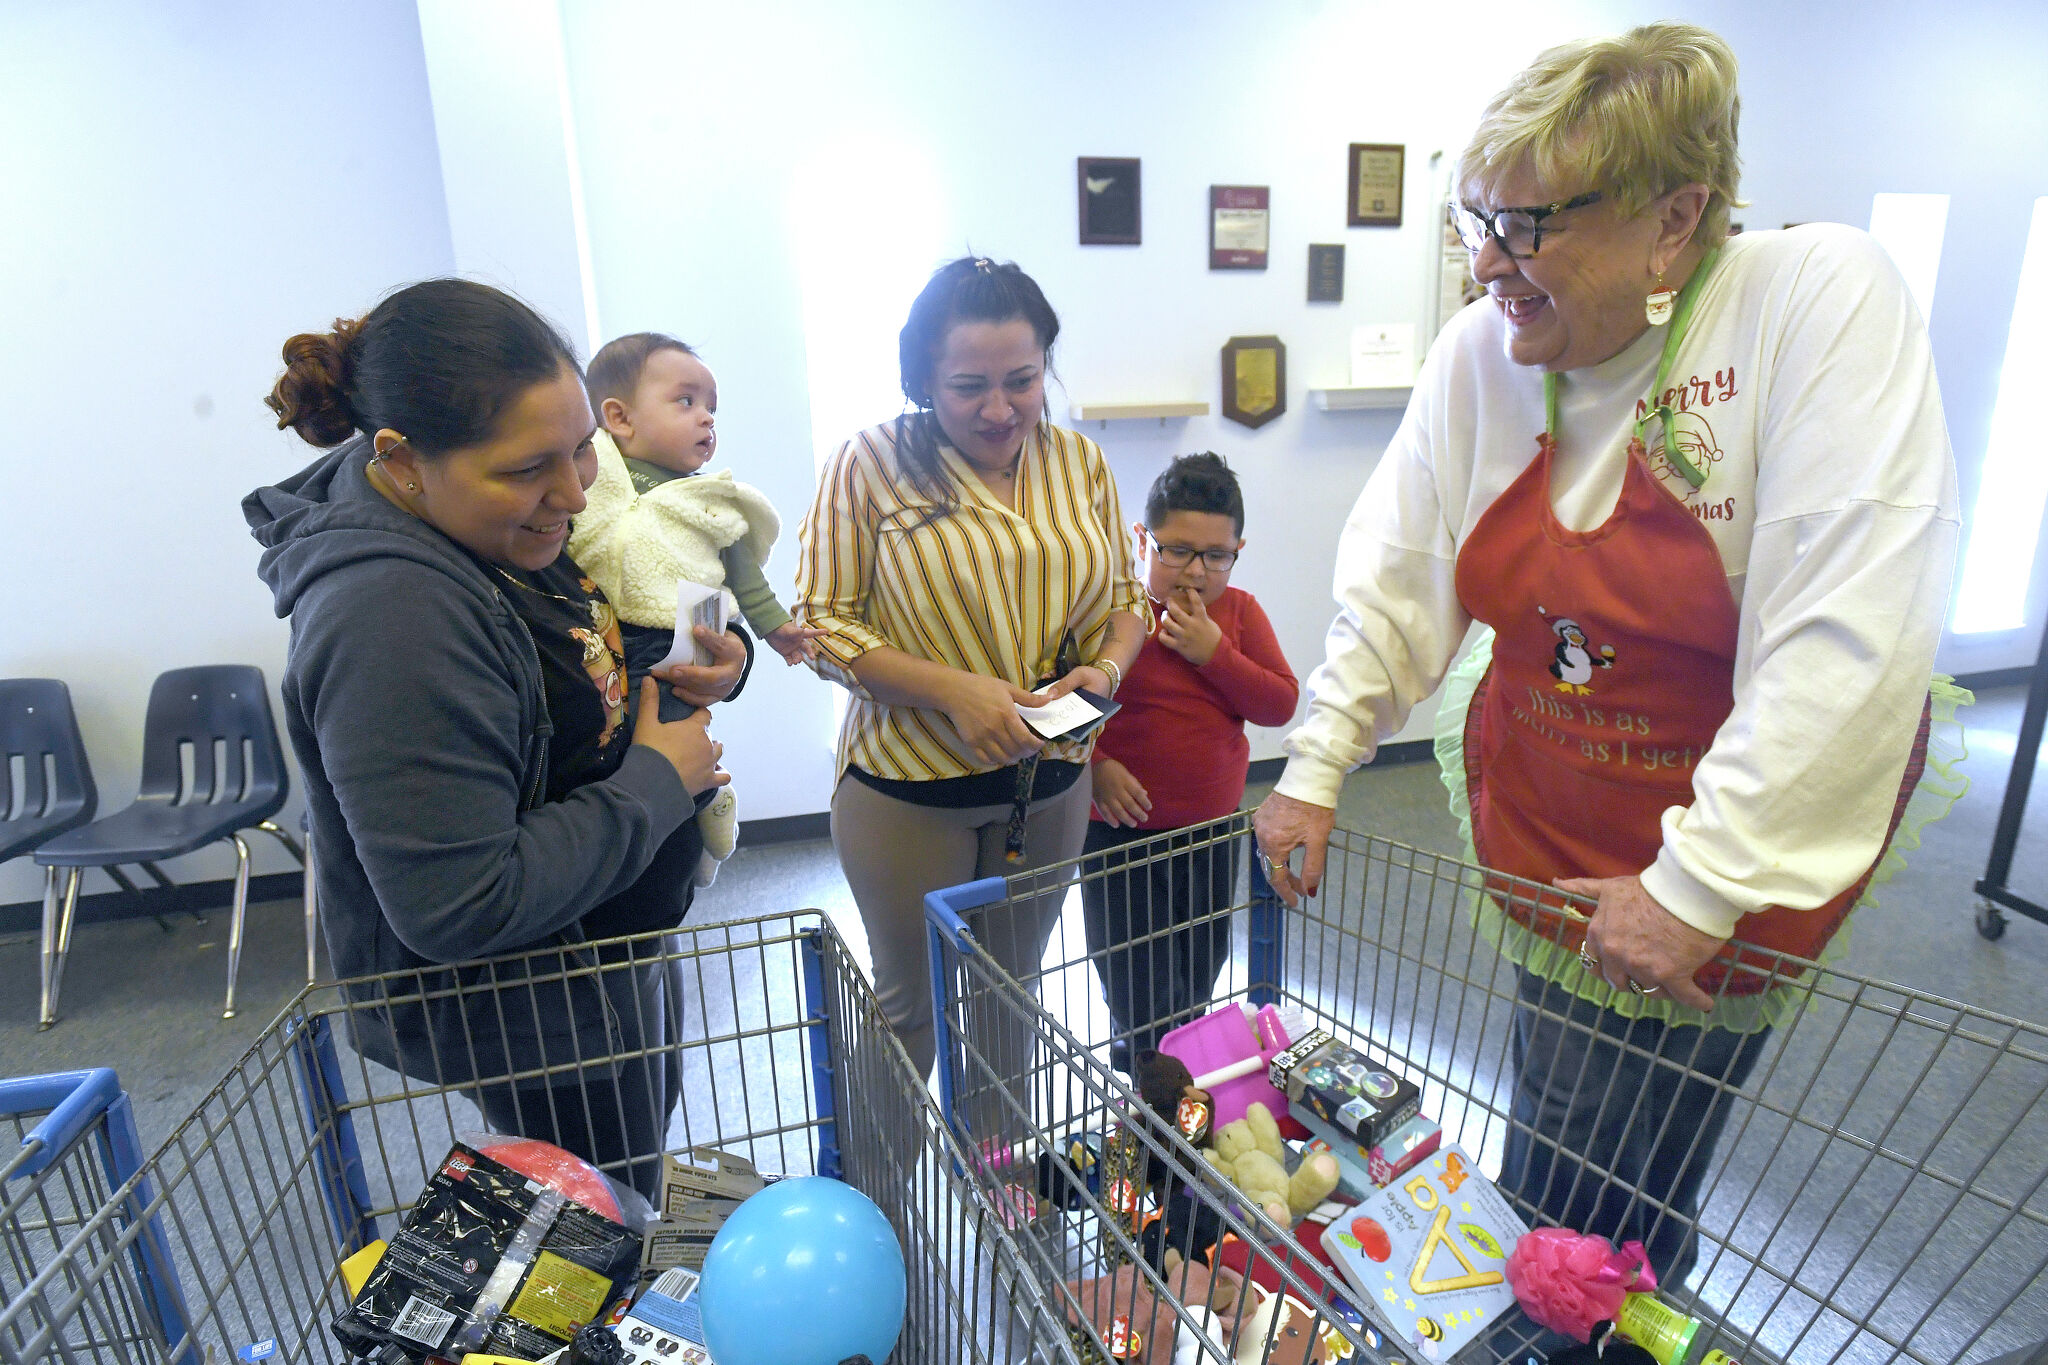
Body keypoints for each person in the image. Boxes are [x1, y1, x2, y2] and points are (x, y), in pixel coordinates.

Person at [1253, 23, 1968, 1299]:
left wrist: (1697, 882)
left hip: (1744, 823)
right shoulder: (1486, 352)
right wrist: (1318, 756)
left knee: (1620, 1156)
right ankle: (1597, 1293)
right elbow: (1397, 557)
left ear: (1673, 218)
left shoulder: (1809, 304)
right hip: (1552, 805)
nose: (1484, 268)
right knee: (1584, 1136)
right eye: (1473, 222)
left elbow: (1847, 631)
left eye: (1526, 227)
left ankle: (1587, 1301)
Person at [247, 279, 751, 1199]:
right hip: (532, 1011)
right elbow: (458, 900)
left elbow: (587, 641)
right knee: (600, 1207)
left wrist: (715, 659)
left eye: (583, 451)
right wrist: (654, 782)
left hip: (601, 943)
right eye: (529, 469)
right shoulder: (390, 618)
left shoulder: (486, 520)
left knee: (626, 1175)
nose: (570, 493)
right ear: (400, 460)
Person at [794, 255, 1147, 1096]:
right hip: (910, 789)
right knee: (911, 1014)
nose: (1000, 410)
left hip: (1051, 780)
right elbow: (824, 624)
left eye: (1022, 380)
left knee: (1006, 1003)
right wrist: (954, 691)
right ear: (923, 381)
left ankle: (1000, 1206)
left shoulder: (1079, 463)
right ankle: (877, 1210)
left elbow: (1127, 600)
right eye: (968, 386)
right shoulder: (871, 463)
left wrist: (1100, 670)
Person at [570, 332, 820, 887]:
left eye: (712, 407)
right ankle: (673, 818)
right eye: (687, 402)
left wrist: (775, 629)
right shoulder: (587, 476)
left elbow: (745, 576)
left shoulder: (708, 500)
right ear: (619, 418)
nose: (707, 418)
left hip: (686, 623)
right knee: (616, 732)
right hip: (604, 630)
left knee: (677, 714)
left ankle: (706, 799)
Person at [1080, 453, 1298, 1062]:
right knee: (1137, 985)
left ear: (1237, 549)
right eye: (1176, 551)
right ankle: (1154, 1088)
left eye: (1216, 556)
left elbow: (1279, 703)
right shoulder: (1112, 613)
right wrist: (1095, 766)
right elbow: (1063, 701)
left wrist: (1215, 654)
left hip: (1209, 836)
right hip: (1119, 841)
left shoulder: (1240, 614)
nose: (1196, 572)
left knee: (1195, 977)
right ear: (1140, 539)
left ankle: (1164, 1082)